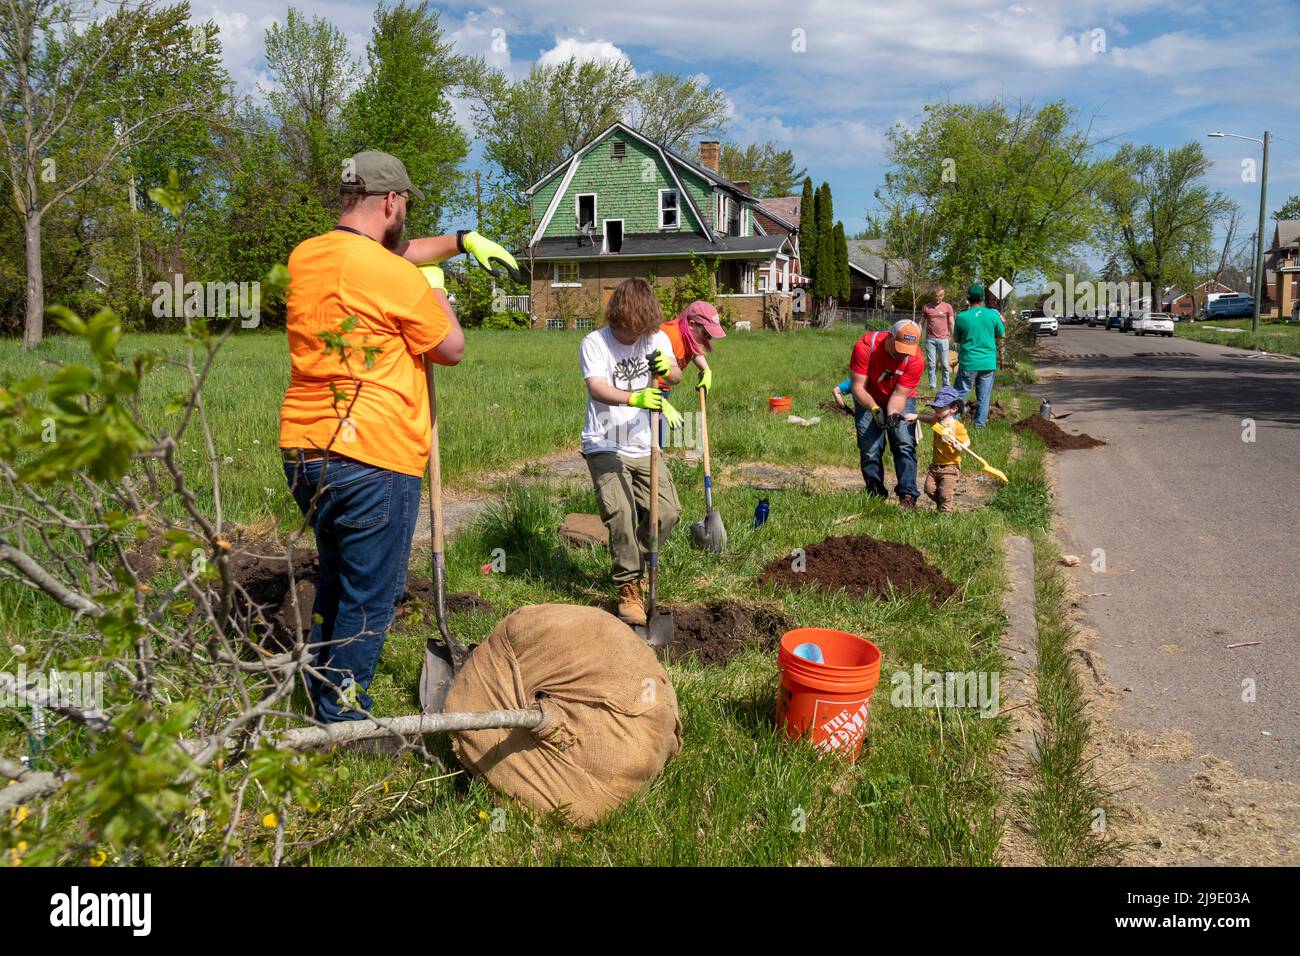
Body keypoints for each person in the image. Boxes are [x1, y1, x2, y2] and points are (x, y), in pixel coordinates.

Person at [279, 150, 518, 723]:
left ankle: (319, 694)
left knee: (337, 578)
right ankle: (341, 721)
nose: (406, 213)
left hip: (306, 450)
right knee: (370, 597)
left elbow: (384, 254)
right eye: (405, 203)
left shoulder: (307, 256)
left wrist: (461, 240)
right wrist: (433, 290)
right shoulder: (396, 276)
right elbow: (452, 348)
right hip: (374, 457)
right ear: (390, 201)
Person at [581, 278, 684, 625]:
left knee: (667, 513)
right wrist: (633, 397)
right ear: (617, 318)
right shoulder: (595, 342)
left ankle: (633, 563)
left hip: (644, 443)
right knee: (621, 514)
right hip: (604, 443)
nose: (637, 337)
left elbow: (677, 373)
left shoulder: (655, 337)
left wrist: (665, 369)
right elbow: (596, 388)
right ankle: (628, 586)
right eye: (630, 330)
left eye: (643, 330)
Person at [848, 319, 926, 509]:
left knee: (904, 443)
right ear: (890, 337)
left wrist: (892, 414)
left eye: (906, 351)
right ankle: (875, 493)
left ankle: (907, 495)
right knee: (870, 447)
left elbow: (900, 395)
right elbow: (857, 387)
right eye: (898, 348)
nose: (901, 355)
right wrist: (874, 409)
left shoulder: (916, 359)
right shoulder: (866, 347)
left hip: (901, 399)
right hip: (868, 395)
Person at [951, 284, 1006, 428]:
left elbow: (956, 340)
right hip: (988, 362)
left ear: (968, 298)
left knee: (960, 395)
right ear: (982, 299)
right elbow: (1002, 334)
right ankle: (980, 425)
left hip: (969, 362)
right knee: (984, 397)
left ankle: (952, 422)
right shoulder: (993, 314)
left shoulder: (962, 317)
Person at [659, 300, 726, 396]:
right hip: (648, 390)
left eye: (710, 336)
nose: (707, 339)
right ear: (691, 324)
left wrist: (706, 370)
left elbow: (694, 351)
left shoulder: (687, 334)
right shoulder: (668, 336)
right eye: (706, 334)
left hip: (664, 388)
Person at [923, 386, 969, 515]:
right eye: (935, 406)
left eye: (940, 407)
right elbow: (927, 419)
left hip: (950, 466)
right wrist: (916, 416)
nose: (936, 409)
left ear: (953, 409)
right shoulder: (937, 421)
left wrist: (960, 447)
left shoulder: (957, 426)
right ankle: (942, 503)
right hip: (935, 466)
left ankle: (945, 515)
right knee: (929, 488)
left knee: (945, 492)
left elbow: (967, 440)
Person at [921, 286, 955, 390]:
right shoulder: (927, 307)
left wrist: (952, 337)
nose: (937, 298)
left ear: (943, 296)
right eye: (936, 296)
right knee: (931, 364)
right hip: (930, 340)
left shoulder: (947, 307)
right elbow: (921, 322)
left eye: (940, 296)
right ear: (933, 296)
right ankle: (932, 385)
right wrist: (917, 334)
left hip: (943, 339)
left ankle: (946, 385)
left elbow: (951, 322)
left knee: (944, 364)